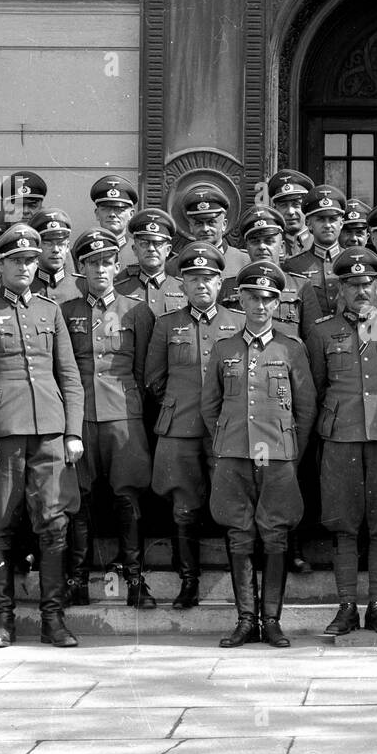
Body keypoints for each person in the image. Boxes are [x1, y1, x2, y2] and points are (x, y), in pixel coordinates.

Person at [0, 224, 85, 648]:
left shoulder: (51, 311)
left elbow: (68, 375)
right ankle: (3, 620)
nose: (26, 267)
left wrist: (72, 431)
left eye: (31, 261)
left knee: (54, 522)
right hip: (4, 432)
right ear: (0, 265)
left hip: (49, 433)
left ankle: (53, 619)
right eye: (16, 261)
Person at [201, 262, 317, 648]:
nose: (260, 307)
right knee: (238, 532)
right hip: (234, 453)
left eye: (268, 300)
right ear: (242, 300)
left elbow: (306, 409)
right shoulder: (224, 348)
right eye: (253, 298)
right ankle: (246, 620)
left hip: (277, 455)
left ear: (276, 303)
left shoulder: (291, 348)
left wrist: (289, 450)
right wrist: (228, 441)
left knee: (276, 533)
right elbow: (210, 406)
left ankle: (272, 620)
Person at [307, 247, 377, 635]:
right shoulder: (322, 330)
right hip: (341, 437)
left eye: (367, 284)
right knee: (343, 524)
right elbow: (317, 387)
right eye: (352, 285)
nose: (361, 291)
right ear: (339, 289)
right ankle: (347, 607)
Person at [61, 228, 157, 609]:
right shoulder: (66, 312)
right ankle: (77, 580)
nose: (100, 269)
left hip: (123, 415)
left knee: (127, 495)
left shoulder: (137, 310)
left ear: (118, 266)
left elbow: (143, 369)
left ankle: (135, 581)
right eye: (91, 262)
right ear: (81, 268)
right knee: (78, 498)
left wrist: (128, 406)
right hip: (81, 415)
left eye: (106, 262)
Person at [146, 243, 243, 609]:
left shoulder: (236, 322)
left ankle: (240, 587)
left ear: (220, 284)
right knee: (183, 505)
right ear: (182, 286)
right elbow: (154, 378)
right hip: (181, 425)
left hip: (225, 427)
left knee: (232, 501)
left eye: (208, 278)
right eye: (193, 279)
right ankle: (189, 581)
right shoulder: (167, 324)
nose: (201, 285)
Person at [284, 184, 346, 319]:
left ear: (341, 223)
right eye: (320, 219)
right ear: (309, 223)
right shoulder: (294, 265)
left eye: (333, 219)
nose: (327, 225)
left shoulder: (351, 259)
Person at [114, 209, 187, 316]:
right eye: (144, 243)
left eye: (158, 243)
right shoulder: (119, 288)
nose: (151, 249)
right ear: (134, 249)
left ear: (168, 250)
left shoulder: (184, 289)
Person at [176, 187, 251, 285]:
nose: (205, 229)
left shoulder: (244, 262)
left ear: (224, 225)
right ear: (190, 227)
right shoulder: (176, 265)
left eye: (211, 222)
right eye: (199, 223)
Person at [28, 209, 83, 305]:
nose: (56, 250)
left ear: (67, 247)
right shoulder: (25, 286)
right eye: (48, 244)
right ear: (36, 248)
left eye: (61, 244)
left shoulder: (83, 286)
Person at [0, 171, 48, 248]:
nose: (25, 211)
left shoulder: (51, 246)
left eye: (32, 205)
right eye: (18, 205)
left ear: (41, 207)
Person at [90, 175, 139, 269]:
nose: (112, 214)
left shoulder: (140, 252)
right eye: (106, 209)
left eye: (119, 209)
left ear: (131, 214)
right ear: (97, 214)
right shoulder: (85, 250)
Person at [267, 168, 314, 257]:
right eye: (283, 205)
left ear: (307, 207)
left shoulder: (320, 243)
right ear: (275, 209)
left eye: (296, 204)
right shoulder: (270, 246)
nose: (290, 212)